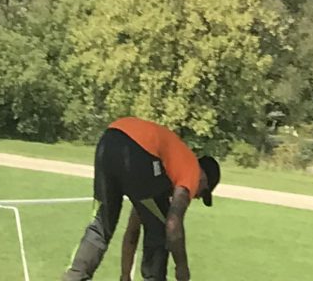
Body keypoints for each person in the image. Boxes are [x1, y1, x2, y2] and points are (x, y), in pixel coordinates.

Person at [62, 118, 221, 281]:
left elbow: (133, 230)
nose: (195, 196)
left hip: (109, 140)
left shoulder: (161, 177)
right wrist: (182, 268)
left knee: (101, 225)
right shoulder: (192, 171)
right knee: (161, 227)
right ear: (204, 179)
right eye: (201, 193)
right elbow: (173, 225)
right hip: (139, 151)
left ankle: (74, 276)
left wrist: (125, 275)